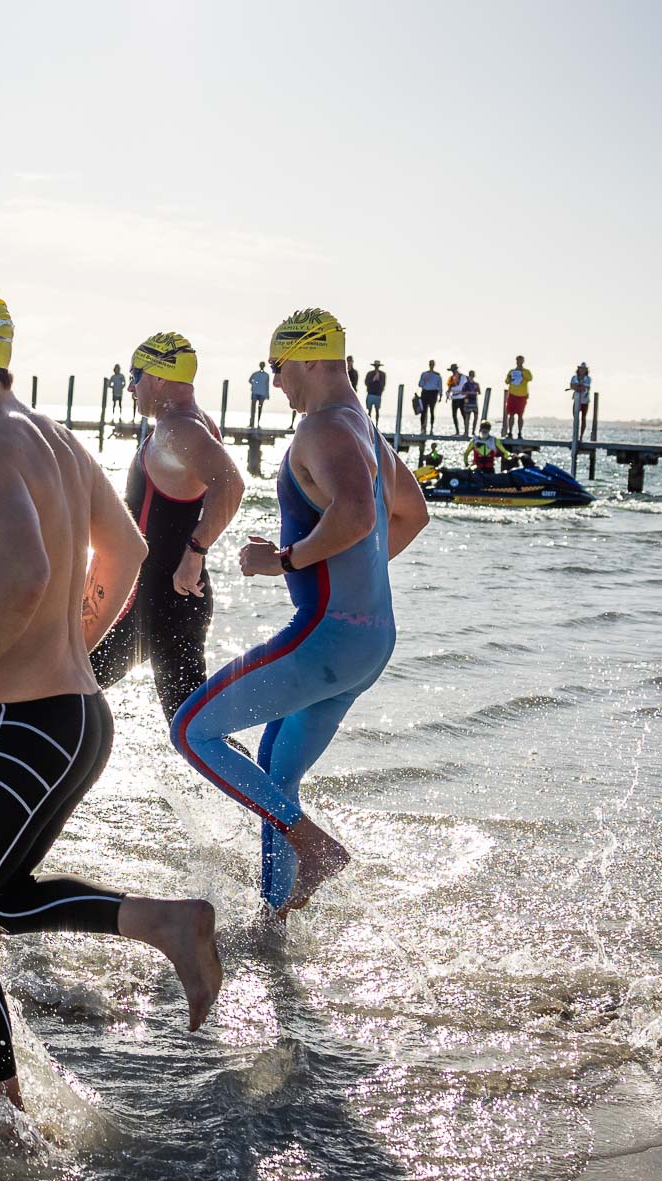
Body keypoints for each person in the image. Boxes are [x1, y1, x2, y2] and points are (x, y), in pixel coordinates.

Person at [0, 284, 221, 1109]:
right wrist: (73, 639)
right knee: (0, 902)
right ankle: (168, 924)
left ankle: (2, 1120)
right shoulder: (51, 435)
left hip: (24, 721)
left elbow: (25, 572)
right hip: (77, 719)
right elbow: (129, 547)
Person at [171, 309, 429, 916]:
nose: (277, 382)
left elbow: (358, 518)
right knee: (274, 770)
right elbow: (411, 513)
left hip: (327, 638)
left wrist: (285, 561)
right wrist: (353, 573)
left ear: (311, 360)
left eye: (279, 368)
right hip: (369, 642)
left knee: (193, 731)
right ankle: (276, 917)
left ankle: (311, 845)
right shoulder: (362, 428)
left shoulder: (324, 429)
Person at [91, 332, 244, 722]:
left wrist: (195, 552)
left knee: (64, 688)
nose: (130, 385)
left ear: (158, 378)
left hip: (159, 602)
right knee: (191, 729)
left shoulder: (180, 429)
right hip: (162, 599)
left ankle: (261, 786)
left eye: (135, 375)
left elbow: (230, 483)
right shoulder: (190, 423)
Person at [504, 355, 533, 438]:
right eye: (518, 360)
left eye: (521, 360)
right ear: (516, 361)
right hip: (512, 394)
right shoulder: (511, 371)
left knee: (520, 415)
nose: (519, 362)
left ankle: (520, 433)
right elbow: (506, 381)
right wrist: (509, 379)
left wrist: (522, 372)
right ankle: (510, 433)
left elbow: (530, 378)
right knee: (511, 414)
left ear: (523, 361)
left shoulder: (526, 371)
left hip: (522, 396)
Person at [417, 360, 443, 436]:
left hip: (433, 393)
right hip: (425, 392)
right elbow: (420, 384)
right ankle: (422, 428)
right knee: (423, 411)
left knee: (432, 411)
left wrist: (440, 395)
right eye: (430, 364)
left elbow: (440, 386)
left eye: (432, 364)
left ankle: (431, 428)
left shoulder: (437, 375)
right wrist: (424, 380)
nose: (431, 365)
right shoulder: (424, 374)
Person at [569, 362, 592, 441]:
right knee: (575, 417)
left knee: (583, 418)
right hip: (577, 399)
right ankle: (575, 435)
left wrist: (577, 386)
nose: (582, 370)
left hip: (584, 400)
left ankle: (581, 436)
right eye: (581, 368)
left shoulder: (588, 378)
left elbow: (583, 387)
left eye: (584, 369)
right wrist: (578, 386)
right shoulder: (574, 377)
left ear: (586, 370)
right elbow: (572, 386)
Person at [362, 360, 386, 425]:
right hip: (370, 393)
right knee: (369, 411)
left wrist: (378, 380)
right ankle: (369, 424)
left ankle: (376, 424)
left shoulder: (382, 374)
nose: (376, 367)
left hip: (378, 394)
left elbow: (383, 384)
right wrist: (373, 380)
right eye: (376, 366)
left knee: (377, 410)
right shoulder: (370, 373)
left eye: (377, 366)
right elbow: (366, 383)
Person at [446, 363, 467, 435]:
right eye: (452, 370)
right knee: (454, 415)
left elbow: (461, 387)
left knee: (464, 415)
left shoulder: (463, 377)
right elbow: (449, 388)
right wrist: (448, 394)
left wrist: (453, 389)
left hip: (461, 398)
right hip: (454, 398)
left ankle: (466, 431)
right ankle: (457, 431)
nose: (453, 371)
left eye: (454, 370)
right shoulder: (451, 378)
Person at [249, 361, 271, 427]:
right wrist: (254, 384)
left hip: (262, 393)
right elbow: (250, 380)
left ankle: (258, 423)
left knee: (260, 408)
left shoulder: (266, 375)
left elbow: (267, 385)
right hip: (255, 392)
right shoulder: (255, 374)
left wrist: (267, 394)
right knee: (253, 408)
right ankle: (252, 423)